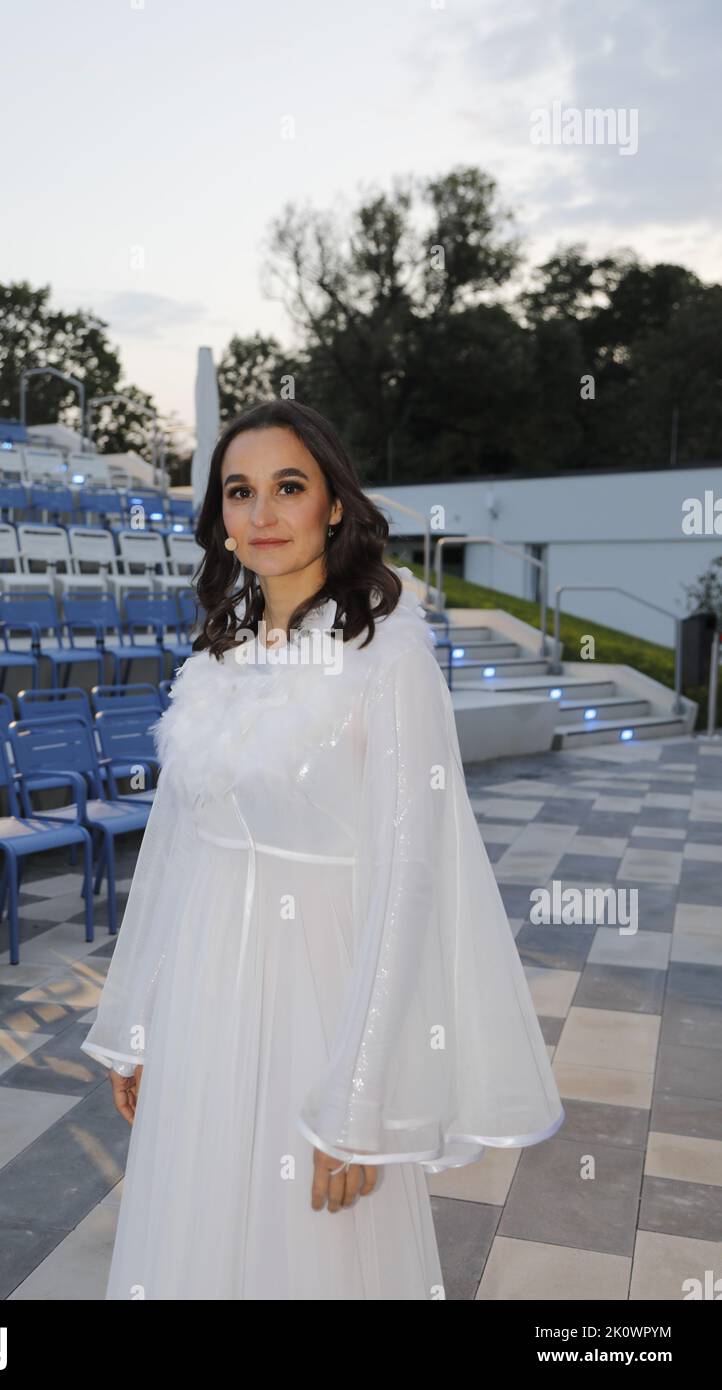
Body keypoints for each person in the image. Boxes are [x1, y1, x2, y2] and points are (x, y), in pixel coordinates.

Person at [81, 399, 565, 1300]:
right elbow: (178, 854)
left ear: (334, 505)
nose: (261, 515)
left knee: (311, 1263)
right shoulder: (213, 663)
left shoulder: (389, 661)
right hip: (202, 1005)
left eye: (288, 487)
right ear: (219, 515)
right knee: (193, 1239)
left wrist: (360, 1095)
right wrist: (140, 1015)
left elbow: (409, 879)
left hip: (321, 1007)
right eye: (239, 492)